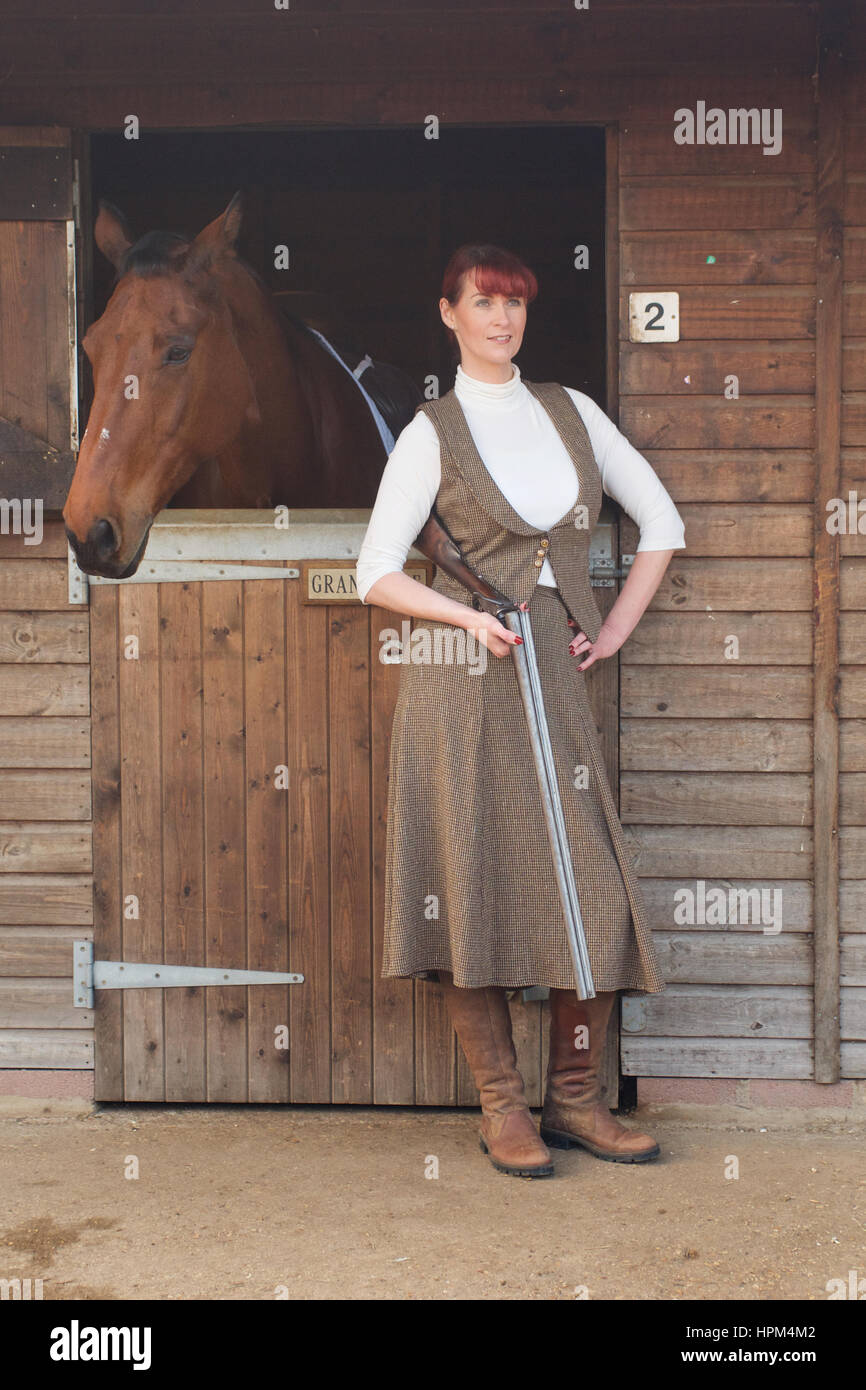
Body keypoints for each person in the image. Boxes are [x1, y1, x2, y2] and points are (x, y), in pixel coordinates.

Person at [356, 244, 685, 1178]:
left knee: (595, 888)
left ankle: (576, 1102)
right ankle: (505, 1111)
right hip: (467, 692)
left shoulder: (572, 412)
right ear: (449, 314)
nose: (502, 319)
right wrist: (466, 615)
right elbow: (372, 569)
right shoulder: (432, 432)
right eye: (484, 303)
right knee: (475, 885)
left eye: (516, 304)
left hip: (561, 686)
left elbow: (663, 523)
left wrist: (611, 629)